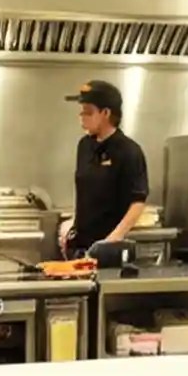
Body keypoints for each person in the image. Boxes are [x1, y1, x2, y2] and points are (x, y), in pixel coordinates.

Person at [61, 80, 149, 258]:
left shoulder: (129, 151)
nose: (81, 117)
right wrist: (73, 222)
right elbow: (86, 193)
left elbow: (137, 202)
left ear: (106, 113)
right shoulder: (84, 146)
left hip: (109, 250)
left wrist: (111, 241)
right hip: (80, 248)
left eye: (88, 112)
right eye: (81, 111)